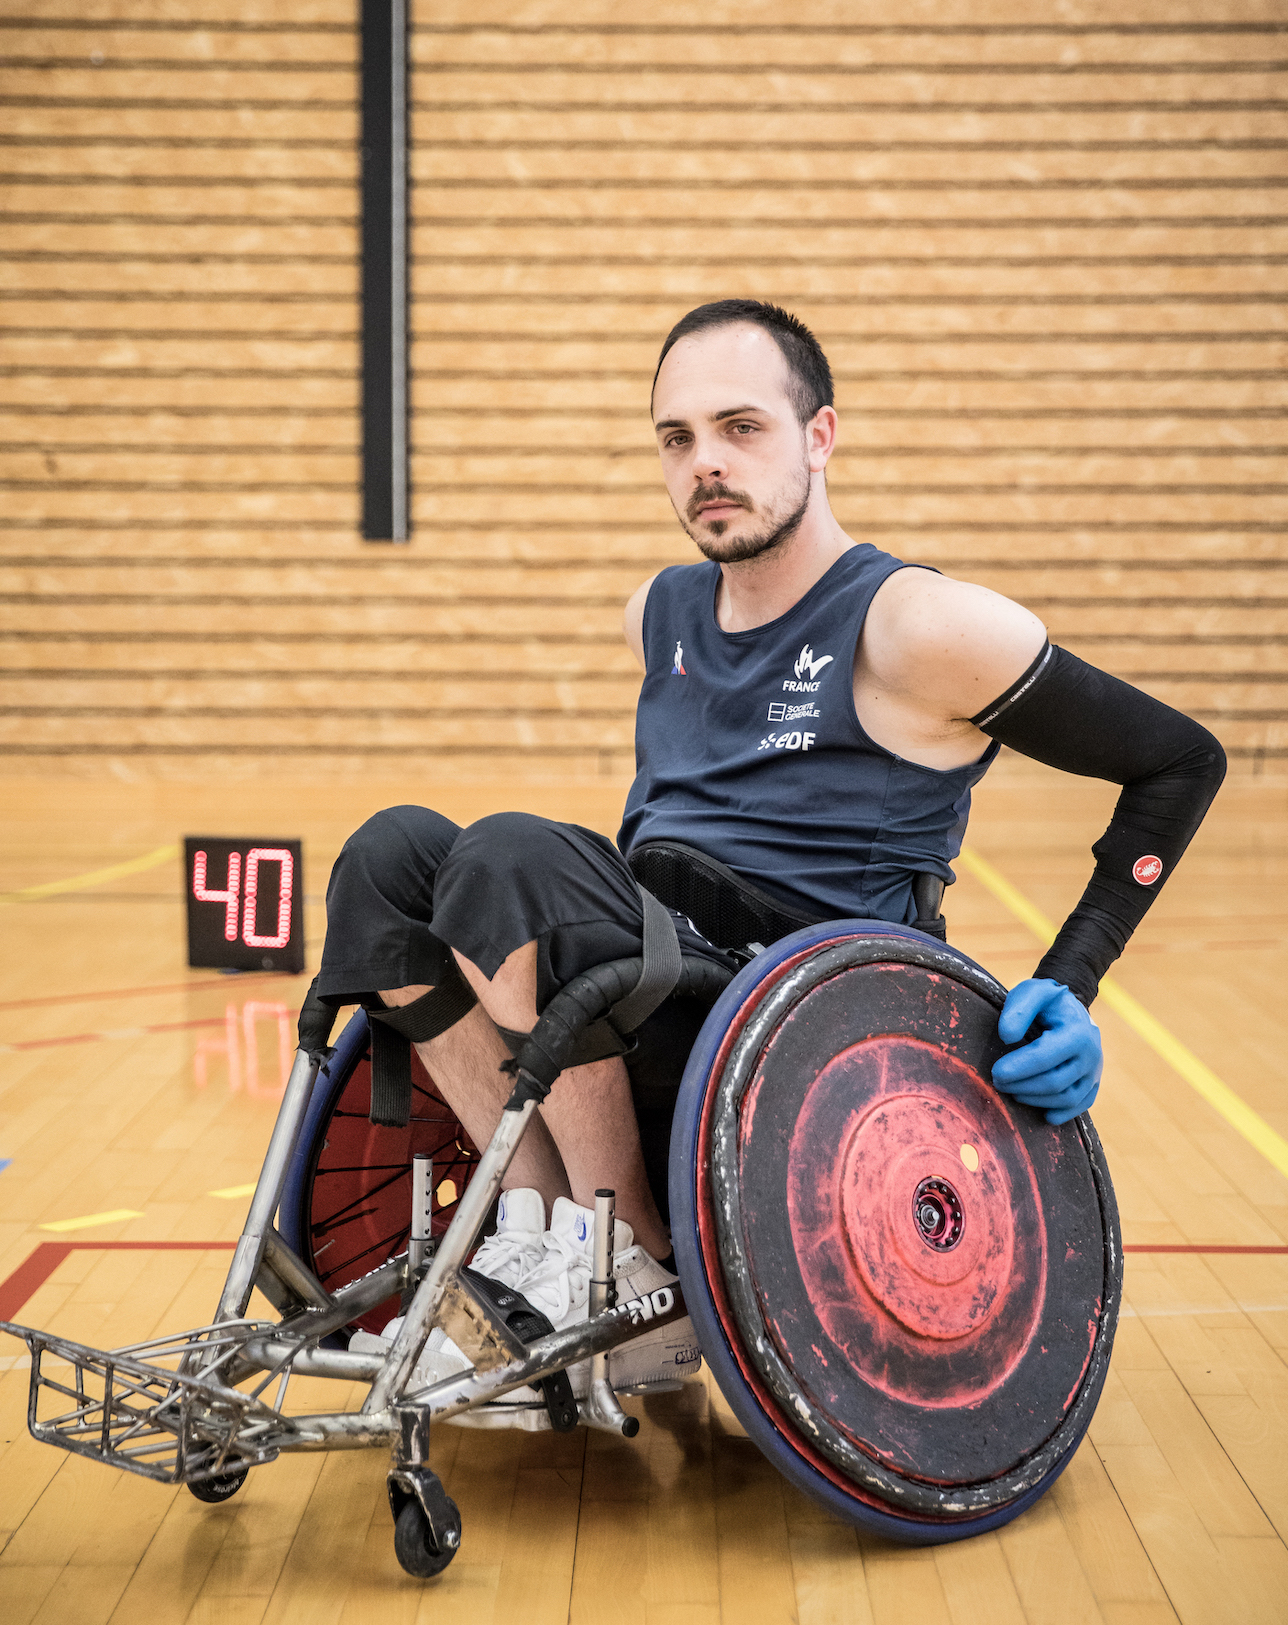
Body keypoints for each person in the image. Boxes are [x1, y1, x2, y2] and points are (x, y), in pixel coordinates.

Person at [318, 301, 1226, 1424]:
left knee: (514, 854)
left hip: (802, 1033)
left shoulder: (916, 624)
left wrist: (1072, 978)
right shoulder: (658, 612)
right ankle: (539, 1235)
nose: (705, 462)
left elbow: (1180, 760)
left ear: (820, 435)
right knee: (389, 855)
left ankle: (635, 1262)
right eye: (677, 437)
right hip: (652, 984)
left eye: (741, 427)